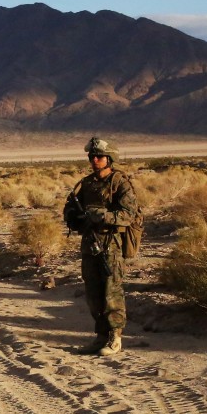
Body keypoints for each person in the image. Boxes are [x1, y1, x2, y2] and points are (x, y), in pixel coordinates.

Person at [63, 136, 139, 357]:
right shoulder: (86, 184)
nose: (94, 160)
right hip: (90, 243)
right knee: (93, 292)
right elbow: (70, 207)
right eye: (92, 157)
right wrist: (73, 216)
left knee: (111, 290)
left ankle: (115, 337)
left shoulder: (120, 183)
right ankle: (100, 336)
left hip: (111, 243)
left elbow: (128, 215)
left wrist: (102, 215)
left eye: (99, 156)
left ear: (109, 158)